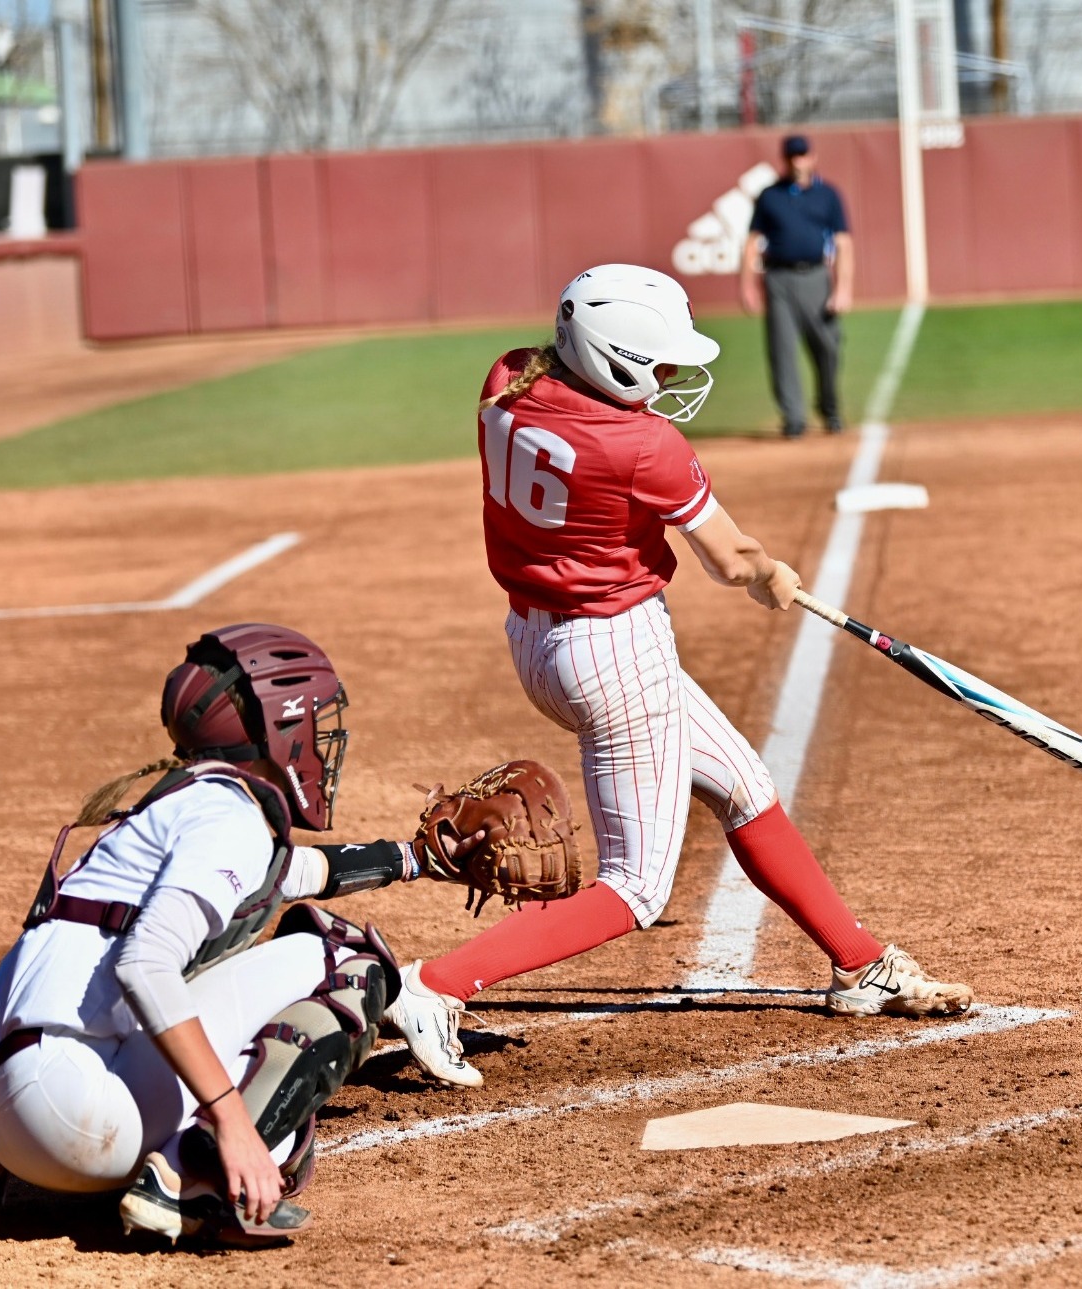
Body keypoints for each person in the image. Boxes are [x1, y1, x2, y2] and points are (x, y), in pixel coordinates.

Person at [382, 264, 971, 1090]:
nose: (668, 380)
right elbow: (731, 559)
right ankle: (436, 986)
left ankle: (860, 963)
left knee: (742, 784)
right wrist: (773, 575)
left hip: (536, 639)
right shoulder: (643, 444)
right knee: (634, 888)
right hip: (617, 656)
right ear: (613, 359)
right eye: (657, 365)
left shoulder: (509, 377)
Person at [0, 624, 490, 1246]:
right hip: (82, 1118)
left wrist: (415, 859)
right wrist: (230, 1119)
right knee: (350, 962)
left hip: (4, 1100)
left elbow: (285, 876)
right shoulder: (229, 819)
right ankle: (192, 1178)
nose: (320, 736)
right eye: (310, 719)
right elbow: (145, 965)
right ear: (274, 730)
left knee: (199, 963)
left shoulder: (176, 806)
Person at [739, 135, 854, 439]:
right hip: (779, 280)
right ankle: (793, 417)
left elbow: (843, 243)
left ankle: (829, 409)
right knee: (782, 350)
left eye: (802, 155)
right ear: (784, 159)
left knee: (828, 347)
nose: (797, 161)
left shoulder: (828, 195)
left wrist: (843, 289)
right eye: (792, 156)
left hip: (816, 277)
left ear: (813, 157)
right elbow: (752, 243)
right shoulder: (770, 196)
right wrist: (747, 286)